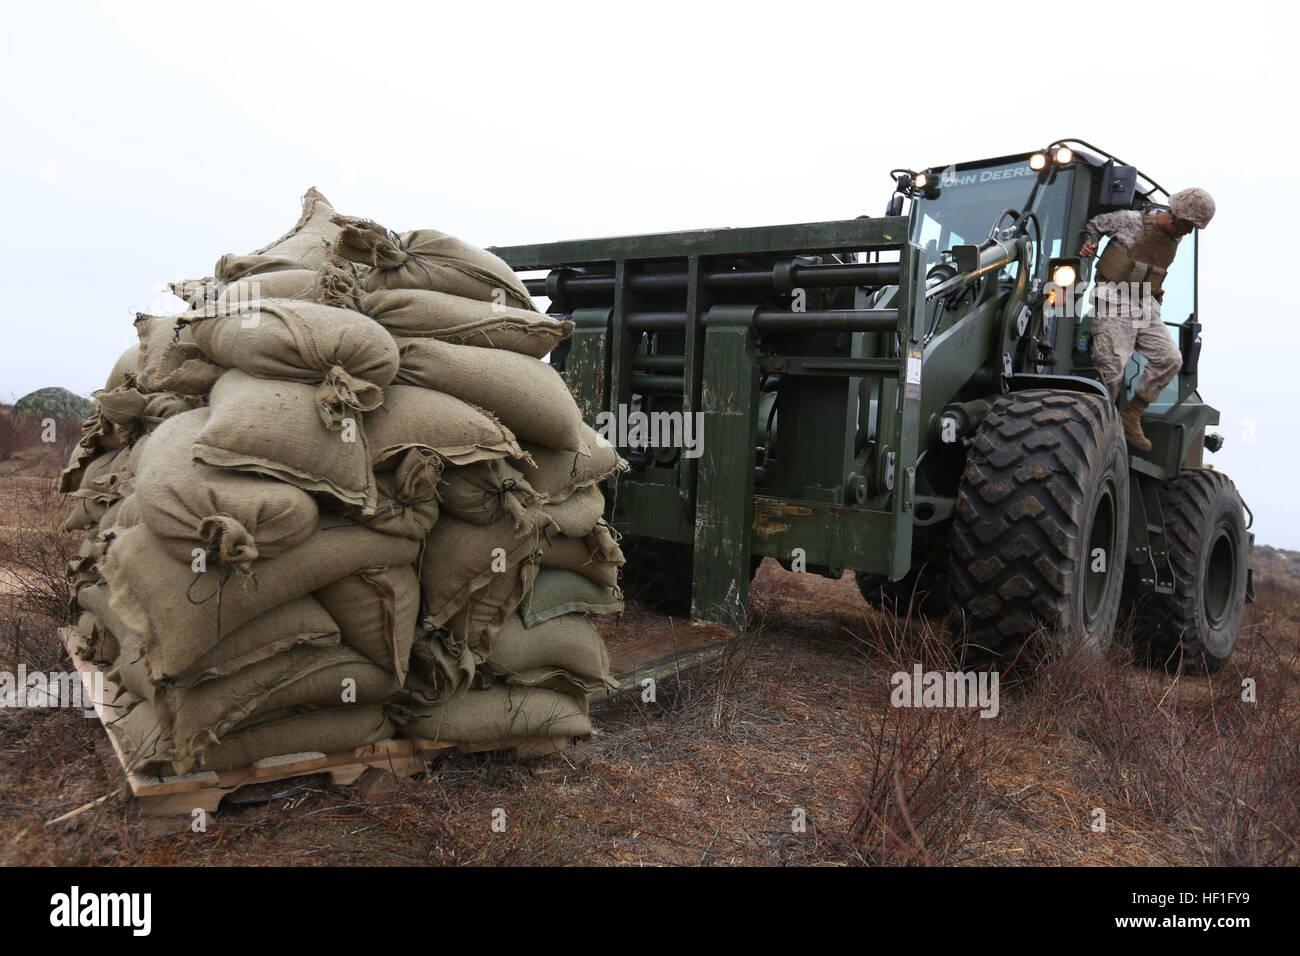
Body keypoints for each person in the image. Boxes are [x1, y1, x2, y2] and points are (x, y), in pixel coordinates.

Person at [1078, 187, 1215, 451]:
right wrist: (1089, 240)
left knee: (1170, 359)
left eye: (1193, 228)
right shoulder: (1131, 221)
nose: (1188, 232)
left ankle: (1131, 415)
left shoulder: (1173, 240)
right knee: (1113, 367)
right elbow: (1096, 224)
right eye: (1187, 225)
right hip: (1114, 299)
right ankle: (1100, 427)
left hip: (1144, 304)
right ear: (1175, 215)